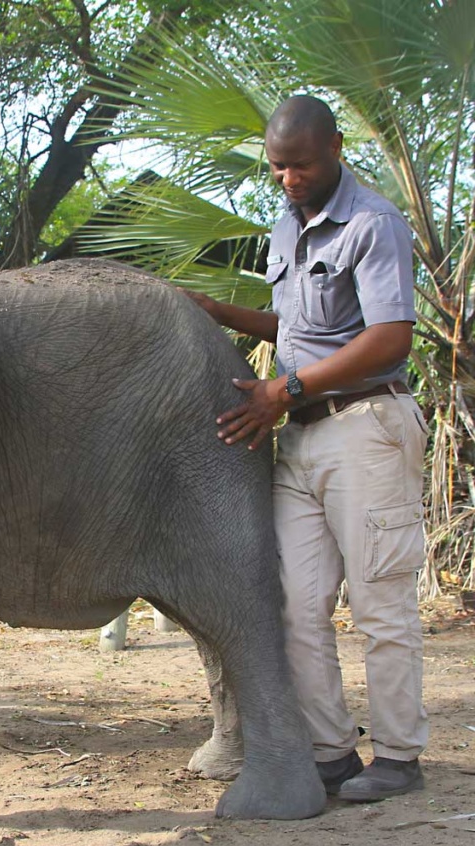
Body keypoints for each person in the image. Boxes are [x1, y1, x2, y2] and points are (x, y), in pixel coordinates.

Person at [186, 95, 428, 801]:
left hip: (366, 427)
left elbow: (390, 339)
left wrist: (282, 392)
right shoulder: (285, 228)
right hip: (301, 434)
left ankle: (399, 758)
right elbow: (296, 325)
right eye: (278, 168)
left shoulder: (374, 223)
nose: (288, 178)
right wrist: (221, 313)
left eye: (301, 164)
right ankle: (329, 752)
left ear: (337, 149)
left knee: (380, 601)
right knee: (294, 601)